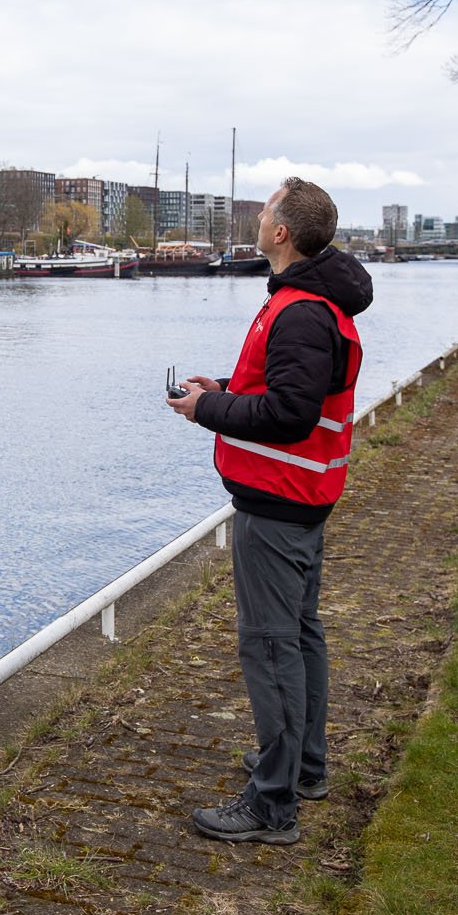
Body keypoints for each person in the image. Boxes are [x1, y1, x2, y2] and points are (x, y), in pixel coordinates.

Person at [167, 178, 373, 845]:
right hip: (299, 497)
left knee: (270, 645)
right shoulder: (306, 304)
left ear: (282, 232)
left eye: (266, 209)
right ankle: (303, 766)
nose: (258, 216)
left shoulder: (302, 311)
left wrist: (207, 411)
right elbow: (283, 388)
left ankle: (273, 802)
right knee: (300, 634)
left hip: (279, 502)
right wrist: (222, 388)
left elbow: (290, 413)